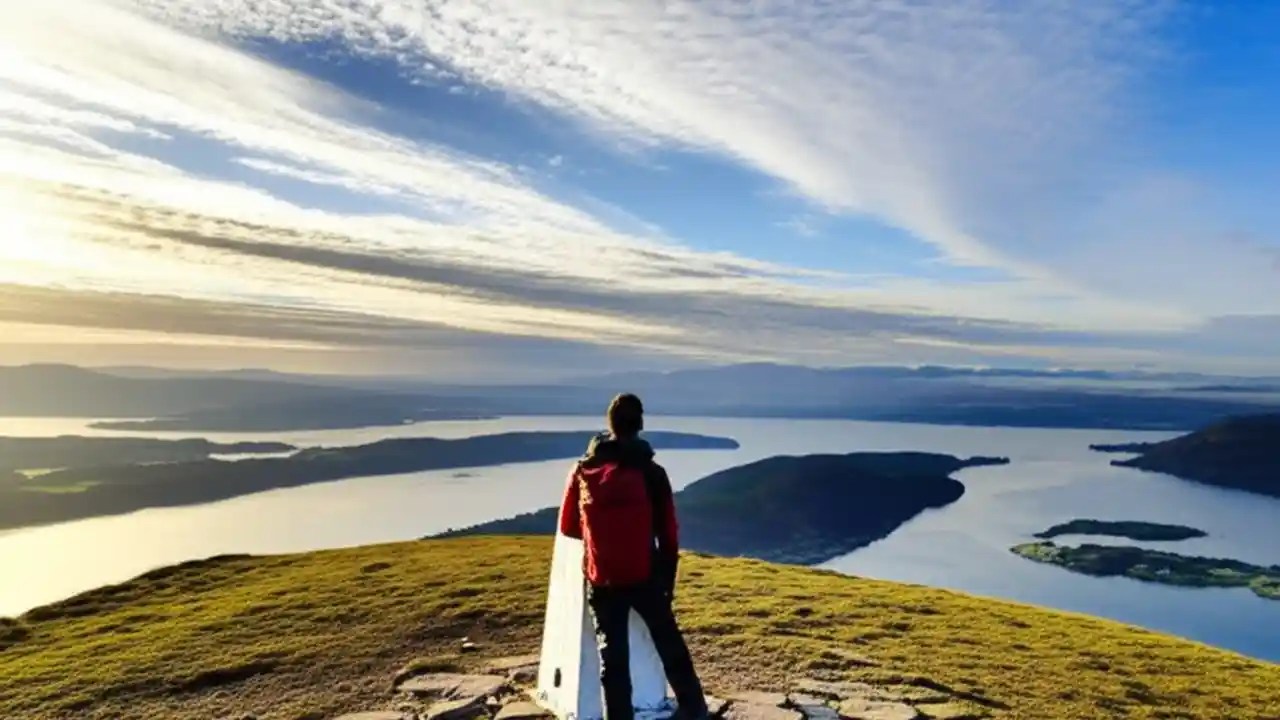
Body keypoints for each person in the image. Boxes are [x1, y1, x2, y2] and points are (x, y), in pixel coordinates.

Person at [558, 393, 708, 720]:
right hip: (645, 575)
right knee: (668, 642)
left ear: (609, 424)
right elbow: (668, 533)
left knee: (612, 659)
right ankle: (694, 708)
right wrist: (666, 581)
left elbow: (568, 526)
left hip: (602, 577)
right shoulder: (651, 472)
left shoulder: (583, 470)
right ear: (640, 424)